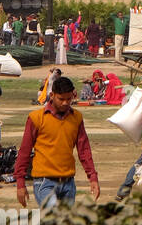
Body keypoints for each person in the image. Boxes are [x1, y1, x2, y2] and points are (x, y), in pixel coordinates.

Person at [15, 75, 100, 212]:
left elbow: (84, 150)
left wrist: (93, 178)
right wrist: (20, 183)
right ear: (52, 95)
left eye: (69, 99)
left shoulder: (77, 118)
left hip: (68, 183)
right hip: (44, 182)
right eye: (61, 99)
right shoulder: (36, 118)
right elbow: (24, 152)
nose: (66, 103)